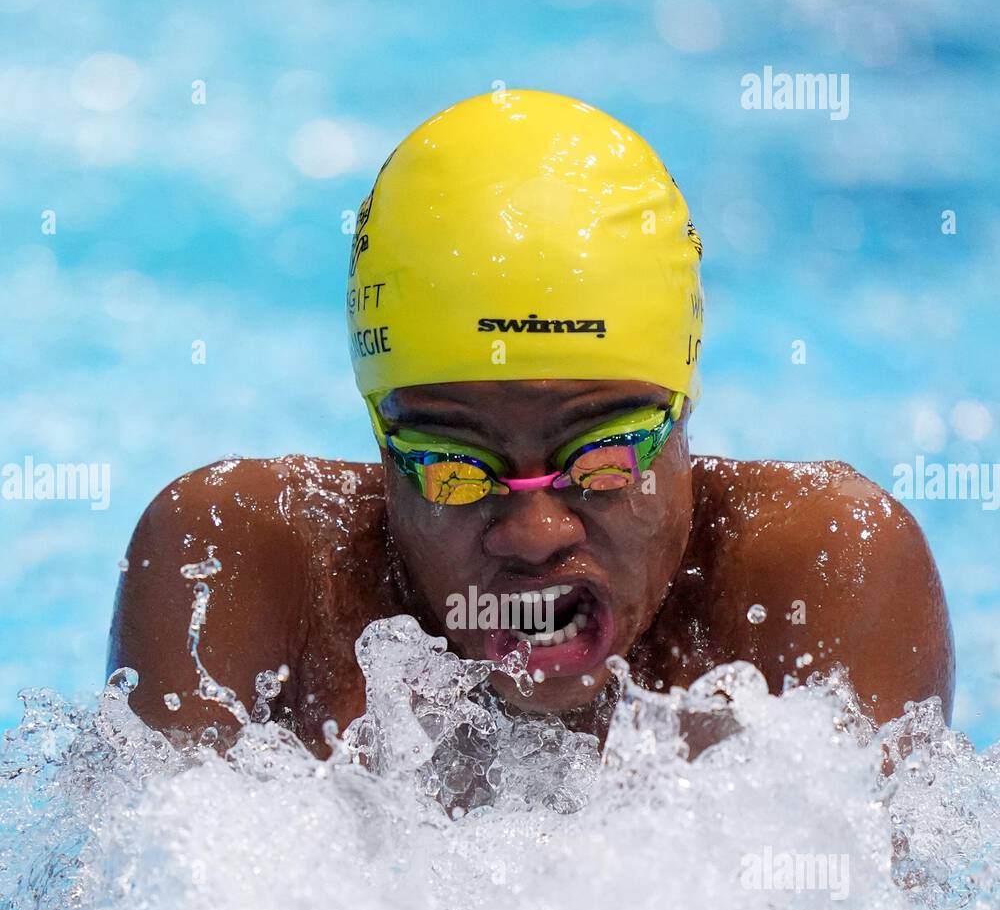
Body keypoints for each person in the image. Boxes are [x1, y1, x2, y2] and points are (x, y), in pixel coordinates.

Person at [108, 90, 954, 756]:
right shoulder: (237, 567)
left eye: (603, 457)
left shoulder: (820, 575)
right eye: (453, 465)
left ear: (685, 411)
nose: (534, 532)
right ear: (380, 440)